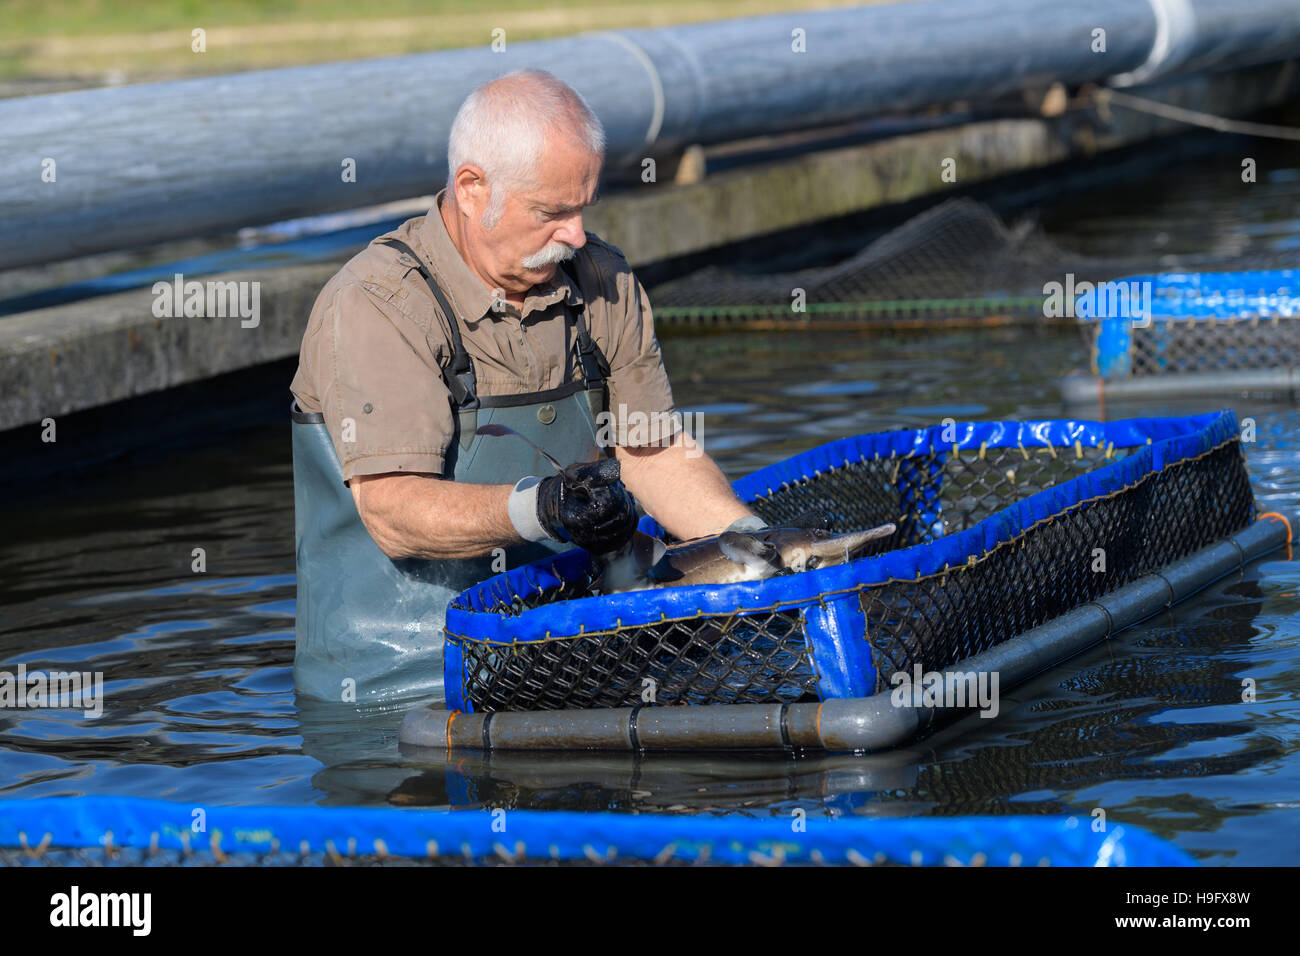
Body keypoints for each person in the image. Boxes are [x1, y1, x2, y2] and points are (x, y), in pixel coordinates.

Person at [288, 69, 764, 706]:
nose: (574, 233)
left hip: (567, 659)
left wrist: (760, 547)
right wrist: (544, 509)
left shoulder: (602, 278)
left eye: (582, 207)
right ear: (471, 190)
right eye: (551, 212)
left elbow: (652, 455)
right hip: (402, 689)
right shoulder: (378, 303)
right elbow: (394, 514)